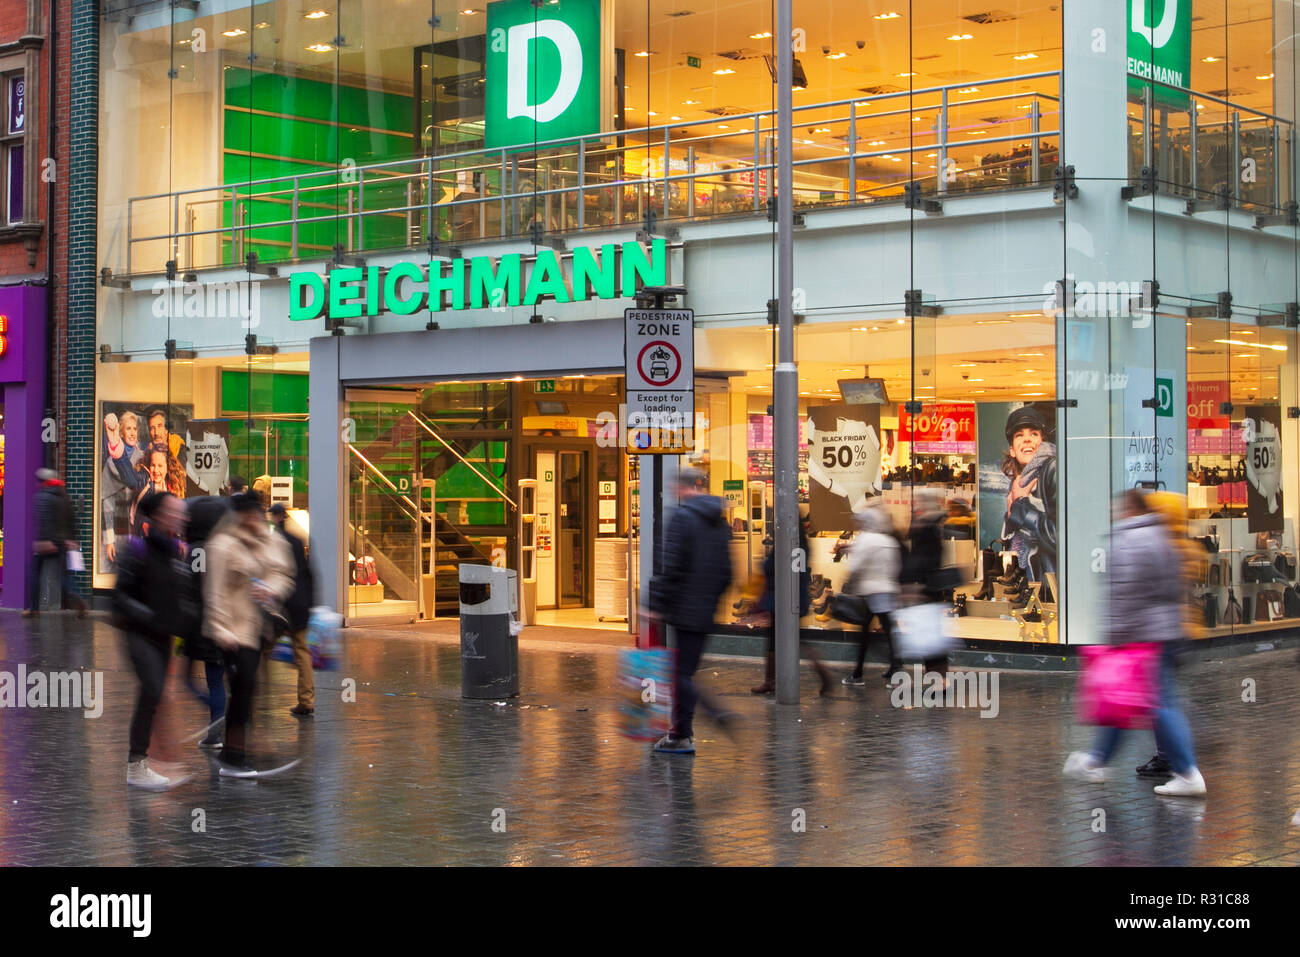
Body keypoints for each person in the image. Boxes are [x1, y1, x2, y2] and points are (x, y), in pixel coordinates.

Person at [1063, 489, 1207, 797]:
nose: (1115, 513)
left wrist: (1114, 636)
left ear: (1129, 509)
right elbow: (1175, 587)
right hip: (1166, 631)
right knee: (1131, 698)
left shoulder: (1128, 540)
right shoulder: (1164, 536)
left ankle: (1187, 771)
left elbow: (1123, 594)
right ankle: (1096, 760)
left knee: (1153, 702)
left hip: (1141, 634)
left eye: (1119, 508)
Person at [203, 492, 293, 777]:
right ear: (239, 515)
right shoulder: (222, 544)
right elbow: (214, 592)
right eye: (250, 514)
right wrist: (220, 630)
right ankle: (233, 757)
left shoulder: (264, 541)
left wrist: (271, 589)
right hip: (231, 633)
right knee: (242, 691)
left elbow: (282, 572)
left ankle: (235, 754)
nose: (256, 518)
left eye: (258, 513)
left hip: (254, 631)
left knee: (247, 691)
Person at [111, 490, 195, 790]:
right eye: (174, 511)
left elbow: (179, 596)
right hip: (138, 634)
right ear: (158, 515)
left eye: (181, 511)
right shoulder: (136, 549)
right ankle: (136, 764)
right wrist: (147, 615)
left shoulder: (176, 550)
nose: (180, 516)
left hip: (164, 636)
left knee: (155, 694)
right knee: (152, 688)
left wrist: (187, 626)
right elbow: (119, 596)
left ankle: (148, 761)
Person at [649, 467, 734, 755]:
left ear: (681, 489)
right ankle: (682, 734)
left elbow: (670, 567)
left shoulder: (682, 519)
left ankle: (711, 715)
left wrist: (656, 605)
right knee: (685, 672)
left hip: (683, 608)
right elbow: (727, 572)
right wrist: (712, 600)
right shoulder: (720, 522)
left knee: (680, 675)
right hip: (706, 609)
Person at [750, 512, 831, 696]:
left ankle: (772, 681)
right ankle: (773, 680)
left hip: (784, 598)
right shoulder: (802, 544)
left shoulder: (787, 544)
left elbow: (772, 568)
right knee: (787, 639)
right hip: (792, 596)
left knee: (781, 640)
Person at [183, 494, 234, 749]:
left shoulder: (195, 551)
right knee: (214, 679)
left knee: (193, 680)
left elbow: (190, 587)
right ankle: (219, 719)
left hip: (200, 625)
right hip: (217, 624)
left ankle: (219, 721)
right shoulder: (222, 548)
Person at [841, 505, 902, 686]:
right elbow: (896, 566)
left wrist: (848, 583)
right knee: (889, 631)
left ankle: (858, 673)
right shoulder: (888, 540)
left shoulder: (865, 539)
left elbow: (854, 567)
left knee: (864, 634)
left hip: (869, 592)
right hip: (887, 590)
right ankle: (895, 666)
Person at [269, 503, 317, 717]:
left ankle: (253, 696)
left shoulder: (274, 541)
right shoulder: (298, 541)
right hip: (299, 603)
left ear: (276, 517)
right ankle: (306, 700)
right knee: (301, 652)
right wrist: (311, 602)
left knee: (263, 650)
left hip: (281, 603)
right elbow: (308, 573)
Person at [1000, 404, 1057, 582]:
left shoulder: (1052, 470)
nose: (1027, 440)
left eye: (1034, 433)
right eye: (1019, 435)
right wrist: (1012, 515)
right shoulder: (1020, 482)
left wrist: (1022, 506)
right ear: (1012, 450)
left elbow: (1059, 536)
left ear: (1043, 442)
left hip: (1052, 586)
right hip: (1032, 583)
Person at [901, 488, 953, 681]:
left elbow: (925, 558)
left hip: (926, 589)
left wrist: (913, 580)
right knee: (930, 636)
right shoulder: (928, 525)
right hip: (927, 588)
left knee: (930, 637)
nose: (915, 504)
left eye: (919, 501)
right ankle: (937, 678)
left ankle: (938, 680)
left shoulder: (928, 527)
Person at [23, 469, 88, 618]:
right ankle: (76, 595)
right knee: (64, 575)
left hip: (47, 541)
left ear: (43, 482)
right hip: (63, 542)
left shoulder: (41, 496)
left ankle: (34, 608)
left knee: (36, 573)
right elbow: (73, 520)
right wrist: (72, 539)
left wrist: (45, 541)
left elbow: (43, 521)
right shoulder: (65, 497)